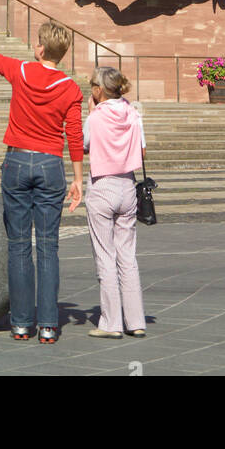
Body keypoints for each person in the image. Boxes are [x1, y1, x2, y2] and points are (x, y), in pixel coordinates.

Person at [0, 18, 83, 344]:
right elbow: (74, 135)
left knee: (18, 247)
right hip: (51, 165)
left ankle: (20, 324)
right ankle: (47, 325)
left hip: (16, 160)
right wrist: (77, 179)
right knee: (48, 247)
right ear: (63, 52)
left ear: (40, 48)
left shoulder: (21, 71)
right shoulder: (71, 88)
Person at [83, 66, 147, 338]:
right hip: (127, 184)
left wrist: (90, 114)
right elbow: (142, 149)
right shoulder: (133, 112)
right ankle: (136, 321)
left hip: (102, 184)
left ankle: (111, 323)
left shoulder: (95, 118)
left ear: (98, 90)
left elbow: (85, 146)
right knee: (127, 256)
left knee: (105, 256)